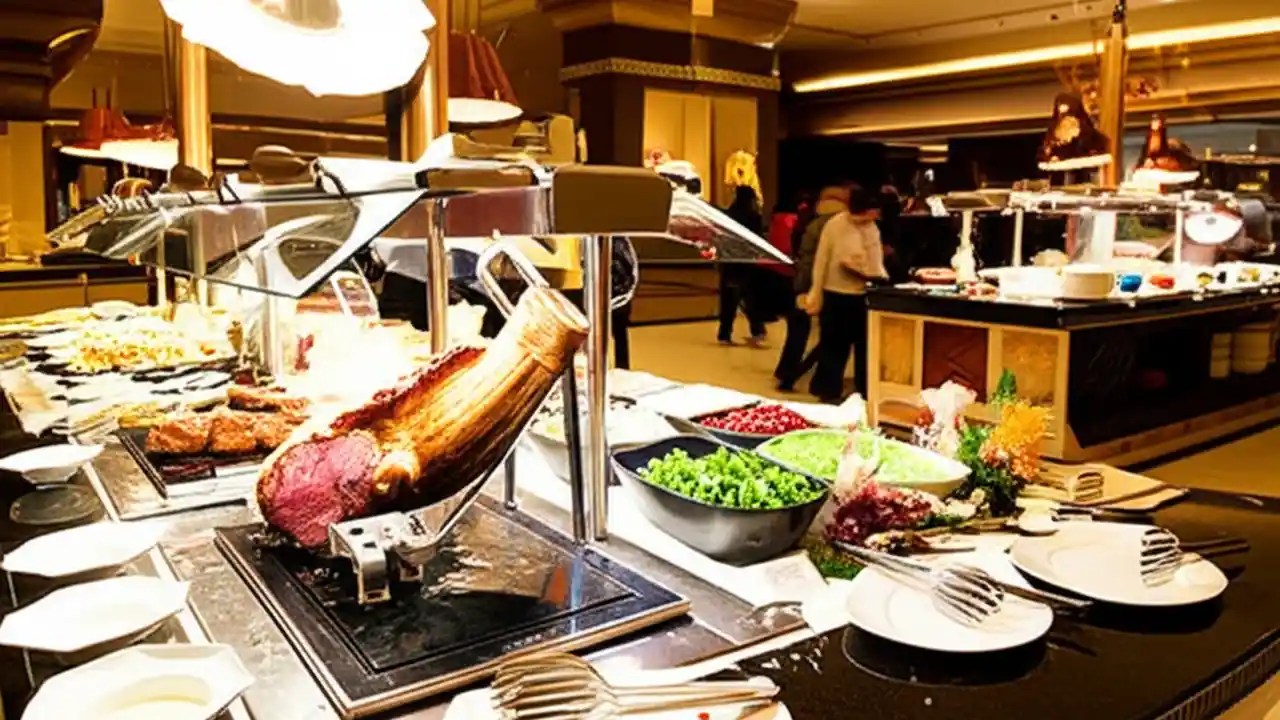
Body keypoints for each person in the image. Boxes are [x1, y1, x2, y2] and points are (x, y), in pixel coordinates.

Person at [806, 188, 888, 403]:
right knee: (833, 345)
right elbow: (821, 261)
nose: (871, 218)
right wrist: (815, 292)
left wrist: (876, 276)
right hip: (835, 293)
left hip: (862, 295)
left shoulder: (872, 228)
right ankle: (828, 391)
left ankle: (864, 392)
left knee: (864, 347)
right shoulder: (835, 225)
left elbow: (876, 261)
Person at [774, 185, 850, 391]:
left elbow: (804, 257)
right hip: (829, 286)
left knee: (799, 332)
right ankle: (803, 376)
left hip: (806, 282)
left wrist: (800, 286)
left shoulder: (812, 222)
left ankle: (788, 372)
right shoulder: (839, 226)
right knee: (830, 336)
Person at [718, 185, 768, 346]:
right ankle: (757, 330)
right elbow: (757, 239)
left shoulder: (728, 215)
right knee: (751, 297)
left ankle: (724, 333)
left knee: (729, 299)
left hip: (730, 262)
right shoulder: (753, 217)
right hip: (747, 262)